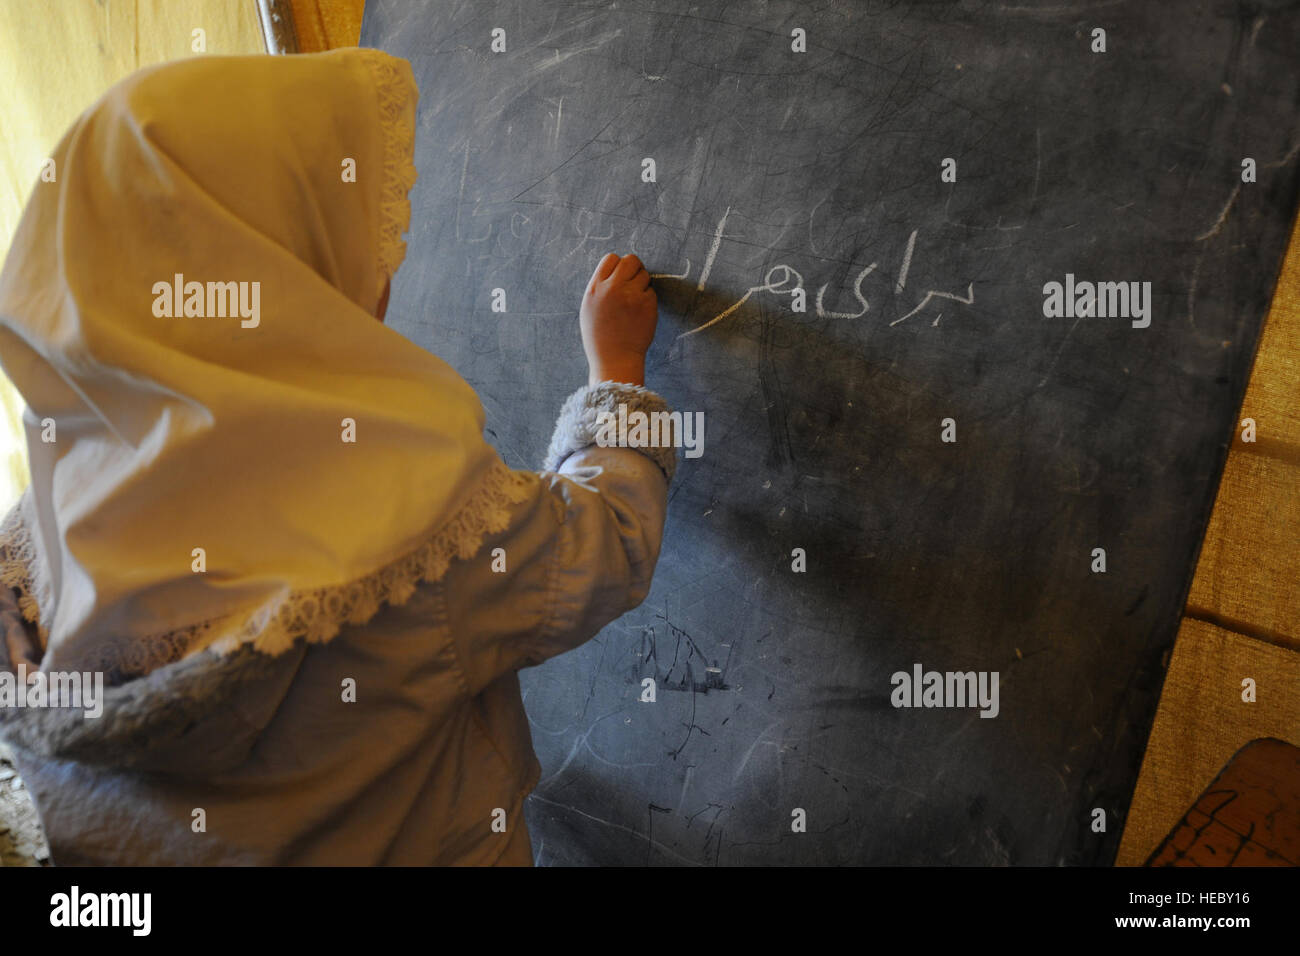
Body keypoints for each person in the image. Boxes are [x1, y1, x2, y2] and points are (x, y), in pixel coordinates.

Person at [0, 47, 675, 865]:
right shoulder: (413, 525)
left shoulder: (42, 542)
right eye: (341, 234)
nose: (386, 265)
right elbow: (607, 545)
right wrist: (618, 375)